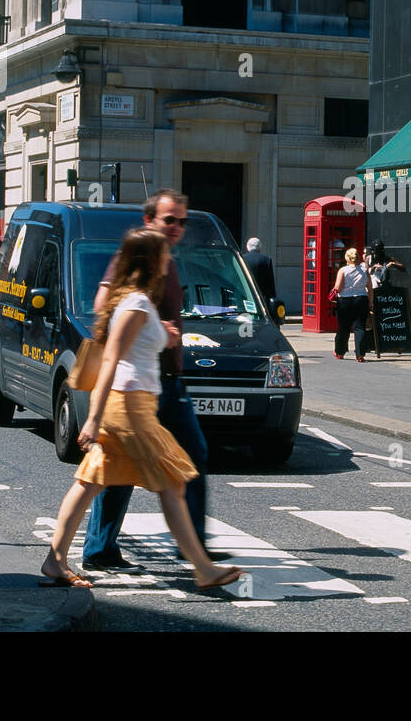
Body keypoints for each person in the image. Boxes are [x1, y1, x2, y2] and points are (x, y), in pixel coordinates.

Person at [40, 228, 243, 591]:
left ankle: (55, 560)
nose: (169, 260)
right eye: (163, 254)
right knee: (173, 482)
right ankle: (203, 569)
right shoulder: (134, 305)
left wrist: (165, 334)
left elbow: (139, 347)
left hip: (136, 405)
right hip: (129, 409)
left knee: (89, 484)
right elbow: (113, 362)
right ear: (150, 260)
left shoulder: (139, 303)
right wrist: (93, 419)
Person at [82, 189, 217, 571]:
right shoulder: (135, 258)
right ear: (150, 221)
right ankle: (97, 548)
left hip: (169, 381)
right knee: (117, 467)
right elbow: (101, 306)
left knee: (191, 457)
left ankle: (191, 546)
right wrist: (152, 326)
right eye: (169, 219)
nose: (177, 227)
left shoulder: (166, 262)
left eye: (182, 221)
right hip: (140, 384)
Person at [330, 247, 372, 361]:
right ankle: (360, 354)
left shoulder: (343, 270)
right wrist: (371, 302)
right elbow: (369, 288)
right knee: (359, 328)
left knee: (343, 327)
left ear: (347, 258)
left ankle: (340, 352)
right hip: (361, 300)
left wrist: (333, 293)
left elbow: (337, 287)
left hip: (345, 301)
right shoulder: (364, 270)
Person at [243, 237, 277, 303]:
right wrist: (272, 297)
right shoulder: (267, 260)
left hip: (246, 295)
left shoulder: (242, 258)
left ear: (247, 247)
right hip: (262, 297)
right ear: (260, 247)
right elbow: (270, 282)